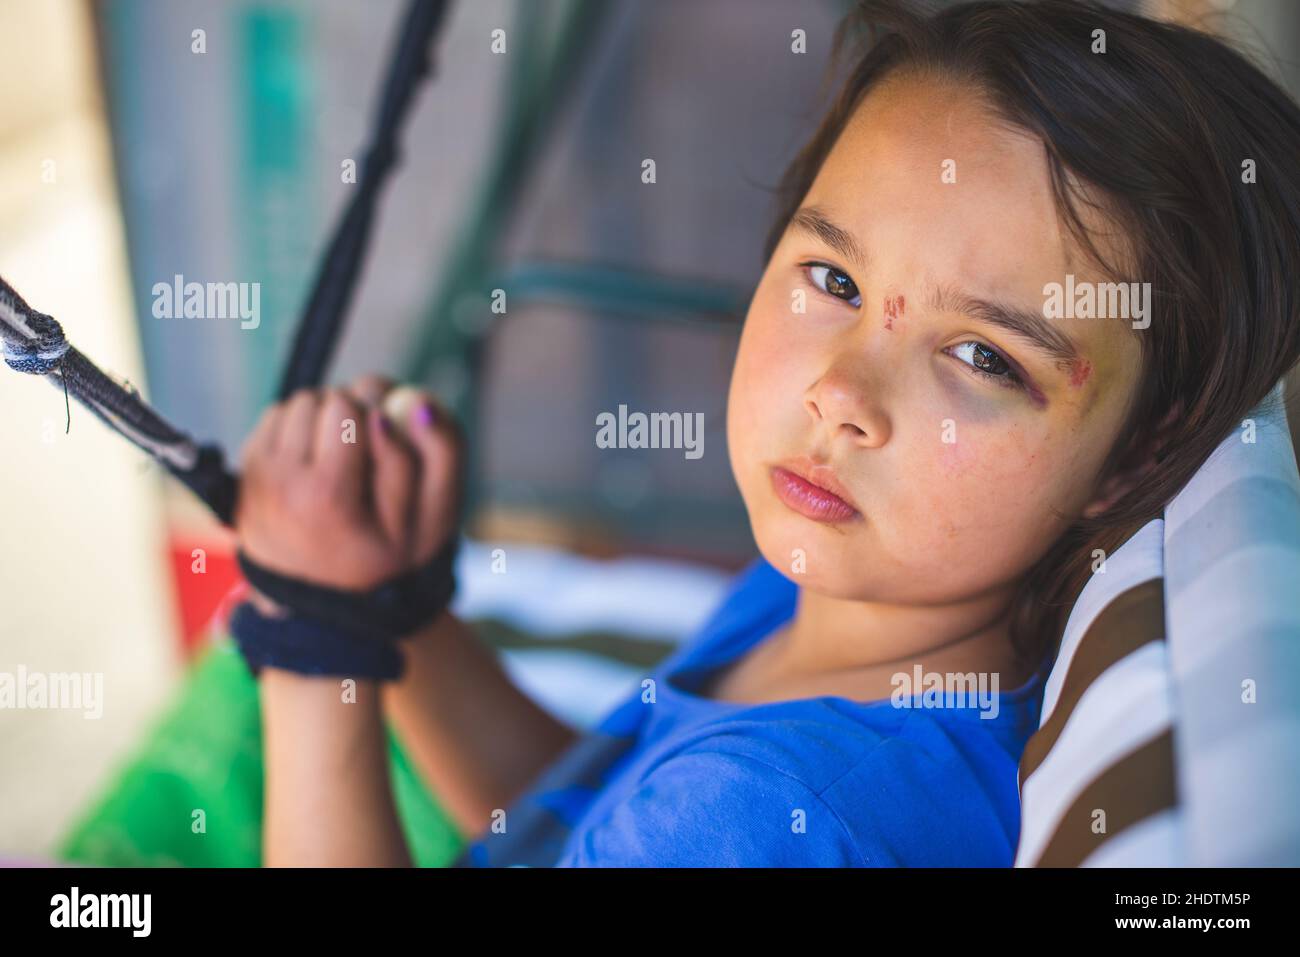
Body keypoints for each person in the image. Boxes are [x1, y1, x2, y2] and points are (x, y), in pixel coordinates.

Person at [233, 0, 1300, 866]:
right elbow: (572, 821)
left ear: (1135, 458)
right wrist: (400, 611)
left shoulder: (771, 813)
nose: (842, 392)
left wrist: (308, 641)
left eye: (984, 357)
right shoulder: (835, 594)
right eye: (832, 278)